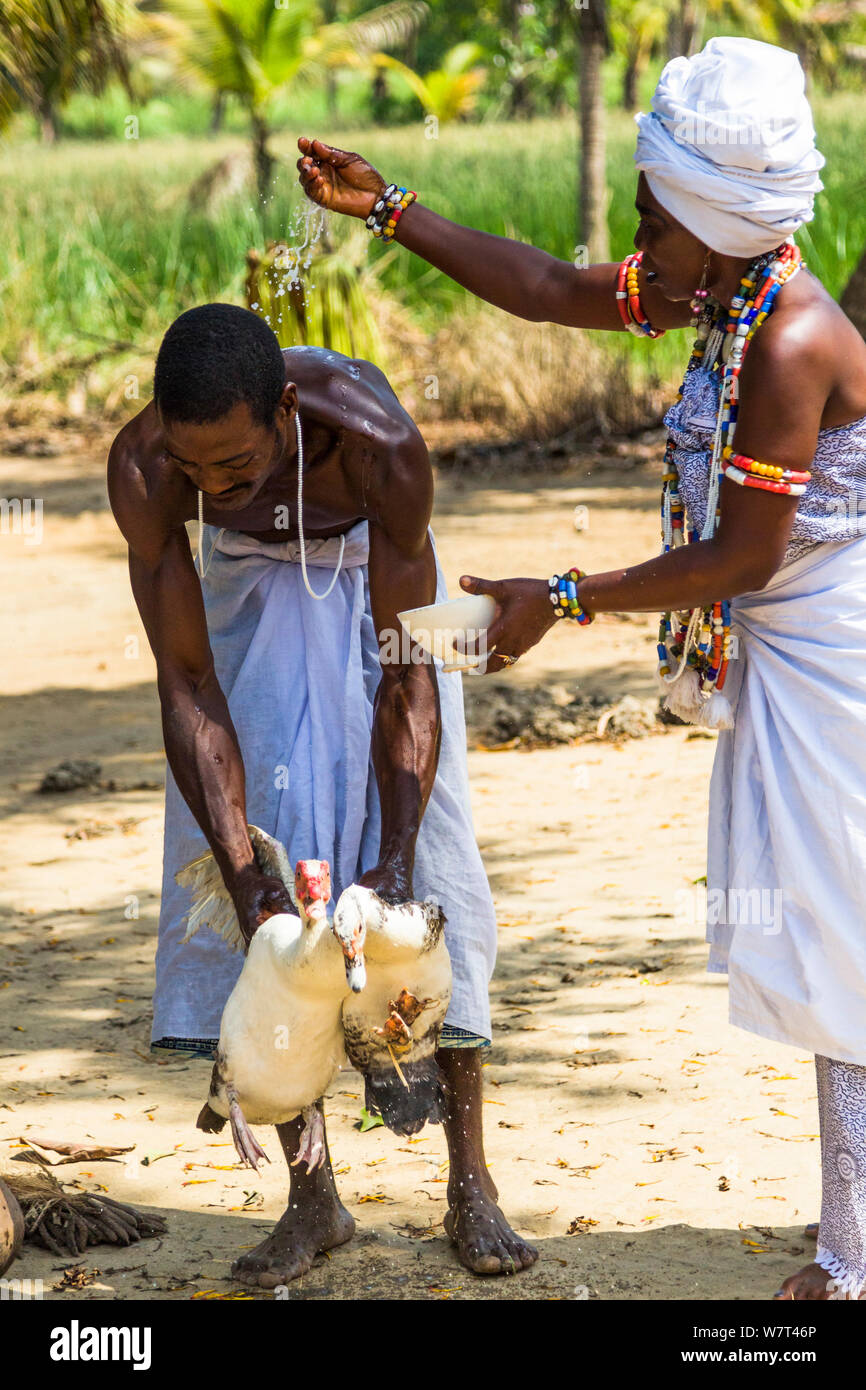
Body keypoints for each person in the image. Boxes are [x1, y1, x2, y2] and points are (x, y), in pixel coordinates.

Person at [298, 36, 866, 1300]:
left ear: (716, 223)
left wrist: (559, 598)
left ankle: (850, 1257)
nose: (631, 236)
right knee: (836, 946)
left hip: (835, 663)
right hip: (790, 663)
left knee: (844, 942)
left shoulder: (787, 341)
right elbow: (551, 288)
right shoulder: (723, 294)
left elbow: (745, 556)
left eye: (651, 216)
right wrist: (390, 208)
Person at [106, 303, 538, 1285]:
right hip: (242, 590)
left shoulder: (380, 448)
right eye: (198, 469)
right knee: (269, 899)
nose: (215, 484)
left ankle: (470, 1181)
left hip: (373, 588)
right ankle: (314, 1199)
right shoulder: (145, 471)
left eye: (238, 463)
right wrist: (243, 873)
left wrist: (387, 864)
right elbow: (187, 682)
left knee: (433, 873)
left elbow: (407, 676)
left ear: (290, 410)